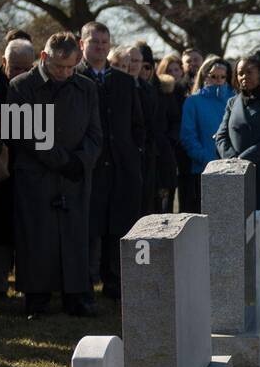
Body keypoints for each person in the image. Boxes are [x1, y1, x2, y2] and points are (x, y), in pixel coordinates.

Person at [7, 32, 102, 318]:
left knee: (75, 236)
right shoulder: (21, 85)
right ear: (45, 57)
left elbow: (95, 133)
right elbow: (25, 133)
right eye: (59, 66)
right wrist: (63, 160)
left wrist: (81, 161)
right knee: (37, 236)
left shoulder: (86, 88)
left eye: (71, 67)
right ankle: (37, 296)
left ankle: (75, 295)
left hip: (75, 176)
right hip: (36, 174)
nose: (64, 73)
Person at [77, 22, 145, 301]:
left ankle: (114, 283)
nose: (101, 46)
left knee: (118, 226)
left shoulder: (124, 81)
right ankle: (84, 284)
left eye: (105, 42)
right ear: (82, 44)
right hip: (88, 167)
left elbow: (138, 125)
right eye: (95, 42)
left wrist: (132, 152)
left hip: (121, 167)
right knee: (89, 228)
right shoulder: (74, 78)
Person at [215, 53, 260, 292]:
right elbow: (221, 135)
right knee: (238, 226)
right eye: (240, 73)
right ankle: (240, 274)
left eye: (249, 72)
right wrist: (232, 160)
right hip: (235, 176)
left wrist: (242, 160)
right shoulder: (232, 102)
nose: (244, 77)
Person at [0, 39, 36, 299]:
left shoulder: (40, 90)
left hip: (31, 171)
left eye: (27, 68)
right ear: (3, 62)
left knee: (28, 232)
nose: (21, 74)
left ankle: (29, 285)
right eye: (15, 68)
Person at [178, 56, 232, 213]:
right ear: (205, 76)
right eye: (214, 76)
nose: (219, 80)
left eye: (223, 77)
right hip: (203, 170)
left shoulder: (235, 100)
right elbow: (188, 137)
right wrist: (209, 160)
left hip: (232, 168)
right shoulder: (193, 101)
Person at [128, 43, 161, 214]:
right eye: (130, 60)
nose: (134, 65)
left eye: (138, 62)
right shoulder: (118, 86)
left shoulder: (148, 89)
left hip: (147, 154)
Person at [155, 54, 187, 213]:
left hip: (182, 148)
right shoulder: (161, 91)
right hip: (166, 147)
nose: (174, 73)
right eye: (169, 70)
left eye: (176, 69)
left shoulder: (184, 91)